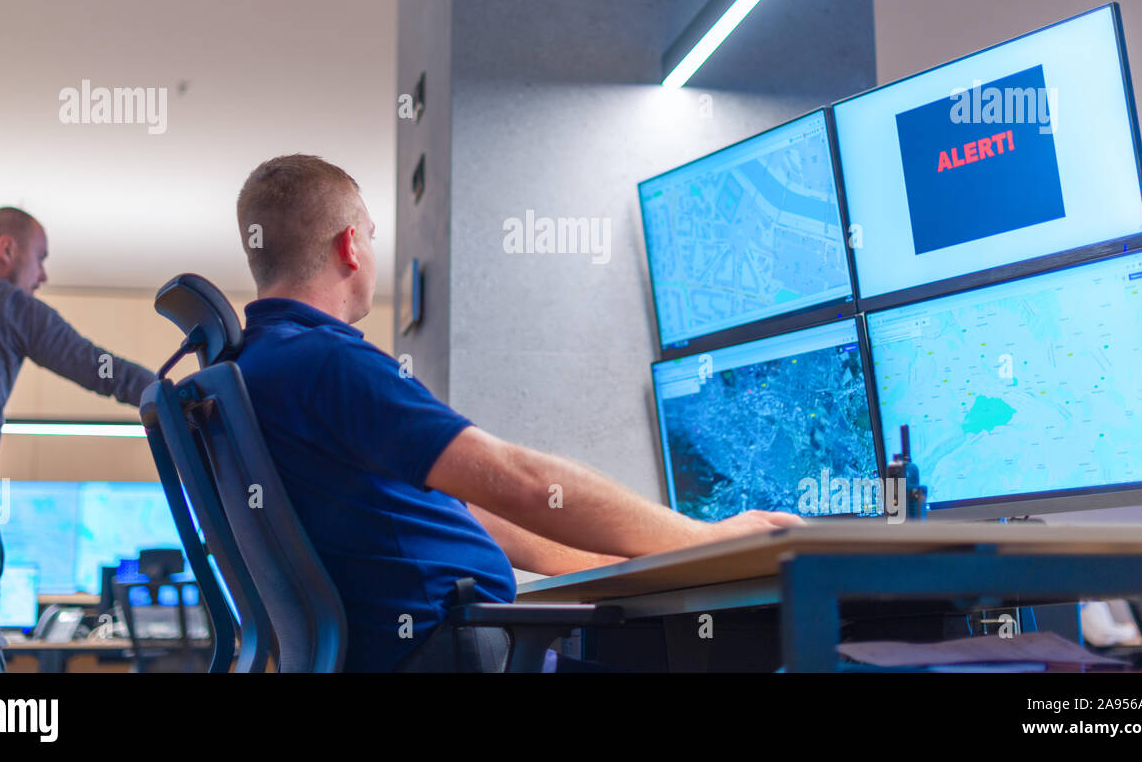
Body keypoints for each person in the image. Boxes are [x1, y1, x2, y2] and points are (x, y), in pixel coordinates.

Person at [233, 155, 802, 672]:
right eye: (375, 240)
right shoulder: (326, 362)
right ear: (350, 246)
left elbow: (473, 510)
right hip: (446, 655)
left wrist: (610, 556)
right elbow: (521, 481)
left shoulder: (255, 368)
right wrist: (705, 537)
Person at [0, 207, 156, 672]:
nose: (41, 275)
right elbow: (96, 366)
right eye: (39, 258)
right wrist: (177, 397)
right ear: (7, 248)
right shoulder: (5, 302)